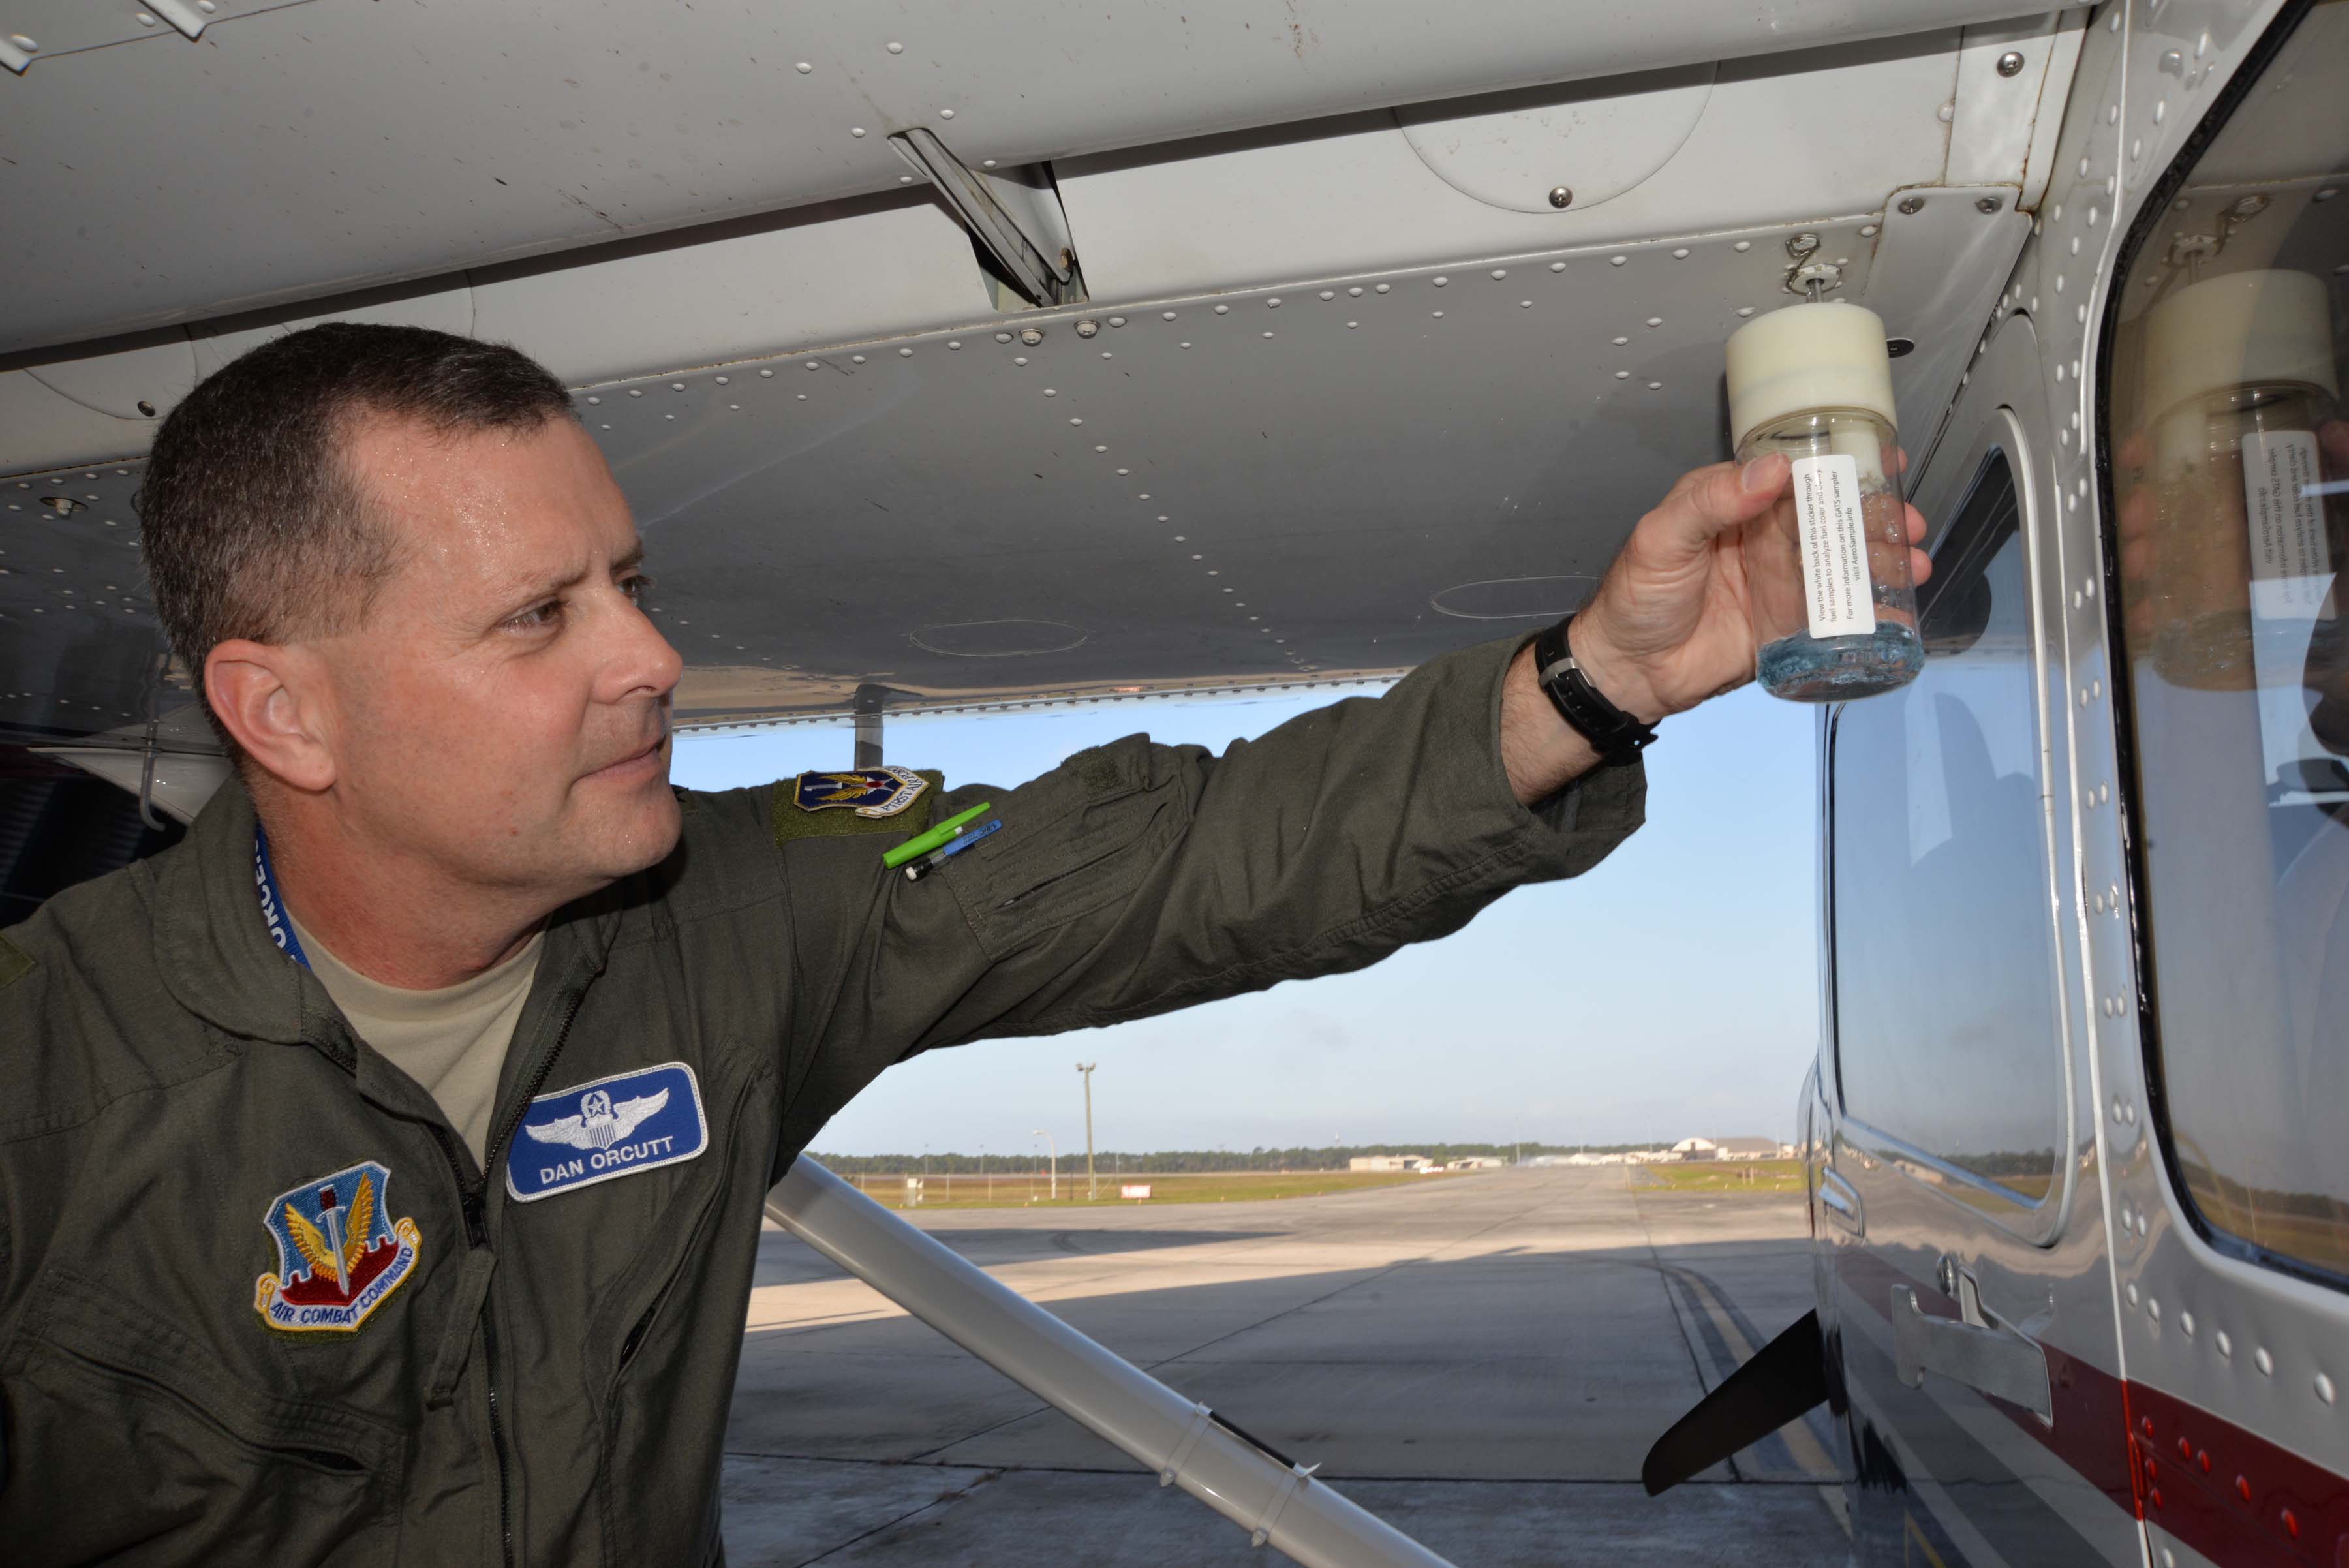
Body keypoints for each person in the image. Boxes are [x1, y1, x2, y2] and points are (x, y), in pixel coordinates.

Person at [0, 323, 1927, 1565]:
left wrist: (1605, 681)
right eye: (539, 618)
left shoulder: (729, 919)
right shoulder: (45, 1080)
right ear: (286, 712)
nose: (653, 656)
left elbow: (1192, 856)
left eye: (634, 583)